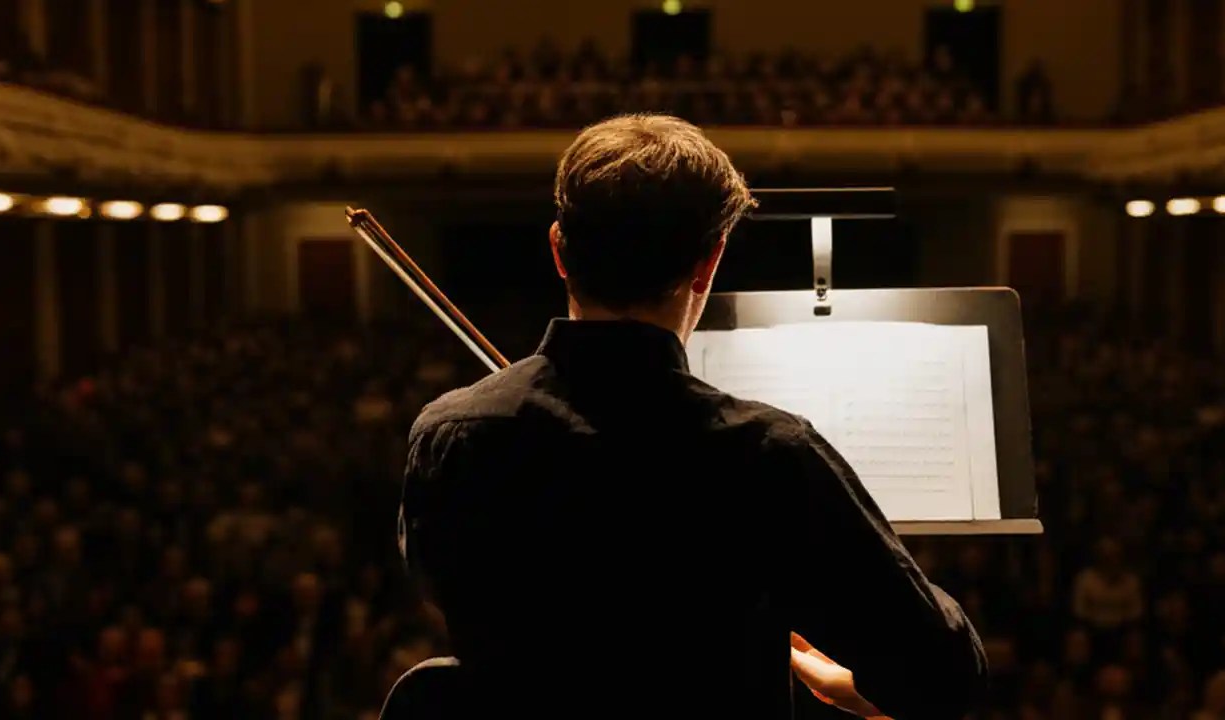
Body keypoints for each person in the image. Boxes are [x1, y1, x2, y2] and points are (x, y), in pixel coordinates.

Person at [391, 113, 987, 719]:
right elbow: (945, 673)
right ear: (708, 263)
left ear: (559, 251)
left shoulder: (451, 437)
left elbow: (441, 585)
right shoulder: (770, 456)